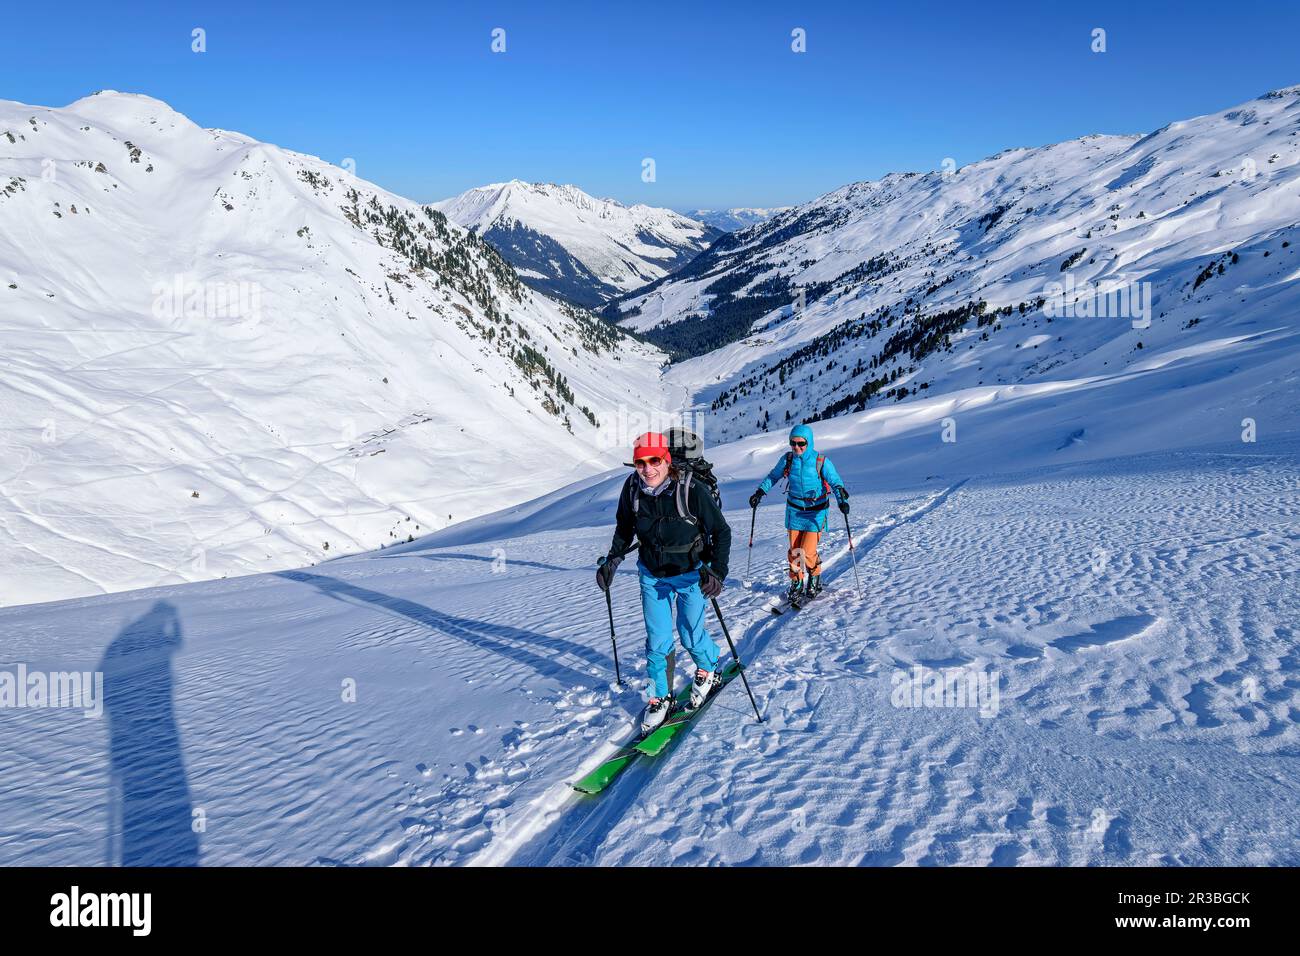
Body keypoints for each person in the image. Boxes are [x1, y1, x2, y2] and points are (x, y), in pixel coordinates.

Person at [596, 432, 732, 733]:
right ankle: (660, 696)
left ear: (666, 460)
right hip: (652, 575)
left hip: (690, 573)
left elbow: (722, 532)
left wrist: (717, 572)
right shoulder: (632, 488)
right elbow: (624, 528)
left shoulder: (691, 490)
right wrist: (612, 561)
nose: (647, 469)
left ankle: (708, 669)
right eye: (640, 462)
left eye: (654, 460)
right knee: (657, 640)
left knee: (690, 633)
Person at [748, 423, 849, 602]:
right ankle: (796, 582)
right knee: (795, 551)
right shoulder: (788, 459)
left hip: (816, 511)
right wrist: (760, 492)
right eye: (793, 443)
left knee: (807, 551)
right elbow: (773, 476)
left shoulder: (821, 461)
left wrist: (842, 501)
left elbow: (836, 483)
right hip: (794, 511)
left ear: (809, 442)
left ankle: (815, 576)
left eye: (801, 443)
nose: (797, 447)